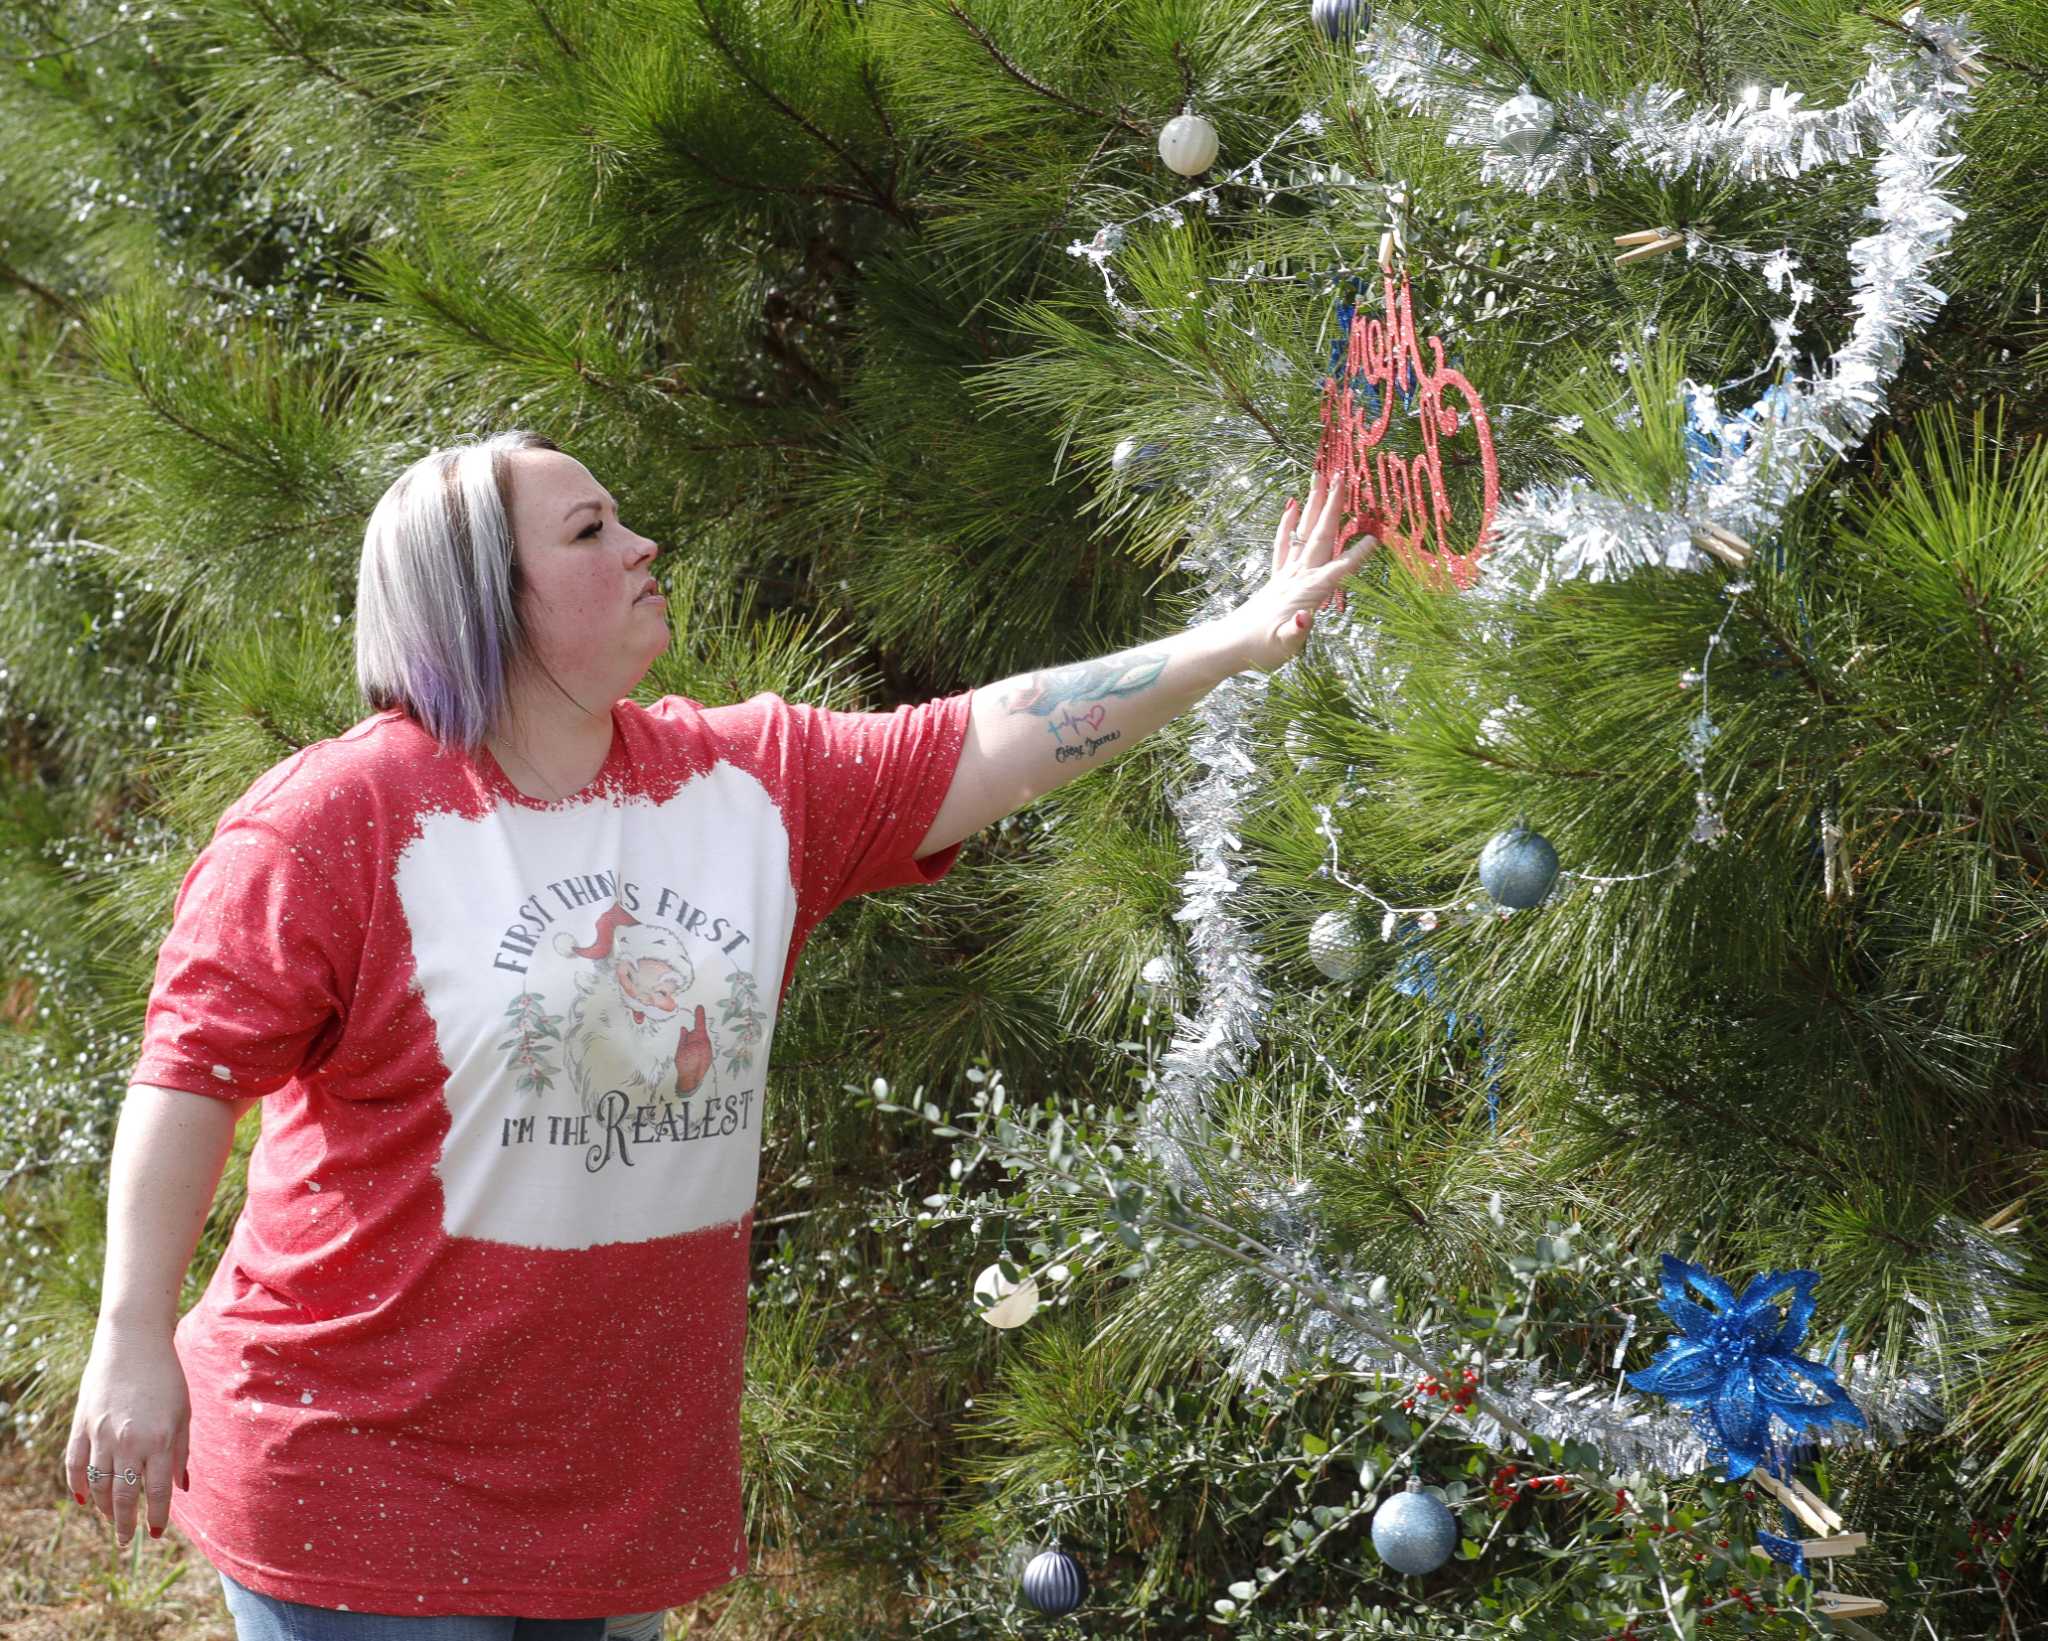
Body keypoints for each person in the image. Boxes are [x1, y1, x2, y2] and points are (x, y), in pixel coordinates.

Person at [63, 429, 1371, 1638]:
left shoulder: (746, 785)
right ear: (484, 597)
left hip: (612, 1499)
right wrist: (131, 1328)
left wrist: (1239, 638)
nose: (641, 546)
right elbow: (188, 1076)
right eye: (586, 533)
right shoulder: (335, 818)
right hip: (356, 1472)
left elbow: (1002, 733)